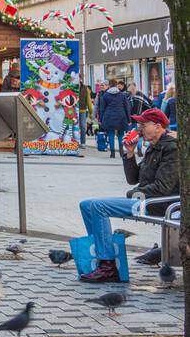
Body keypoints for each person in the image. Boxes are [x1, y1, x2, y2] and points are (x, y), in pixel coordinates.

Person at [77, 108, 180, 283]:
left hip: (160, 203)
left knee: (98, 206)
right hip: (145, 199)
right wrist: (130, 152)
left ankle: (108, 266)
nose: (139, 129)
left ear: (157, 126)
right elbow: (133, 179)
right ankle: (102, 257)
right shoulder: (154, 147)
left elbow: (163, 187)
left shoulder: (171, 148)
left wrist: (133, 194)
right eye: (138, 124)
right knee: (87, 204)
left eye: (143, 124)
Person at [96, 79, 132, 160]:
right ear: (116, 85)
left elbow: (102, 108)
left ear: (109, 85)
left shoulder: (105, 95)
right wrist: (129, 120)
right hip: (121, 116)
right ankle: (121, 151)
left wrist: (101, 120)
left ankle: (112, 153)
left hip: (109, 116)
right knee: (121, 134)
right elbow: (127, 107)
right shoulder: (122, 95)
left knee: (111, 134)